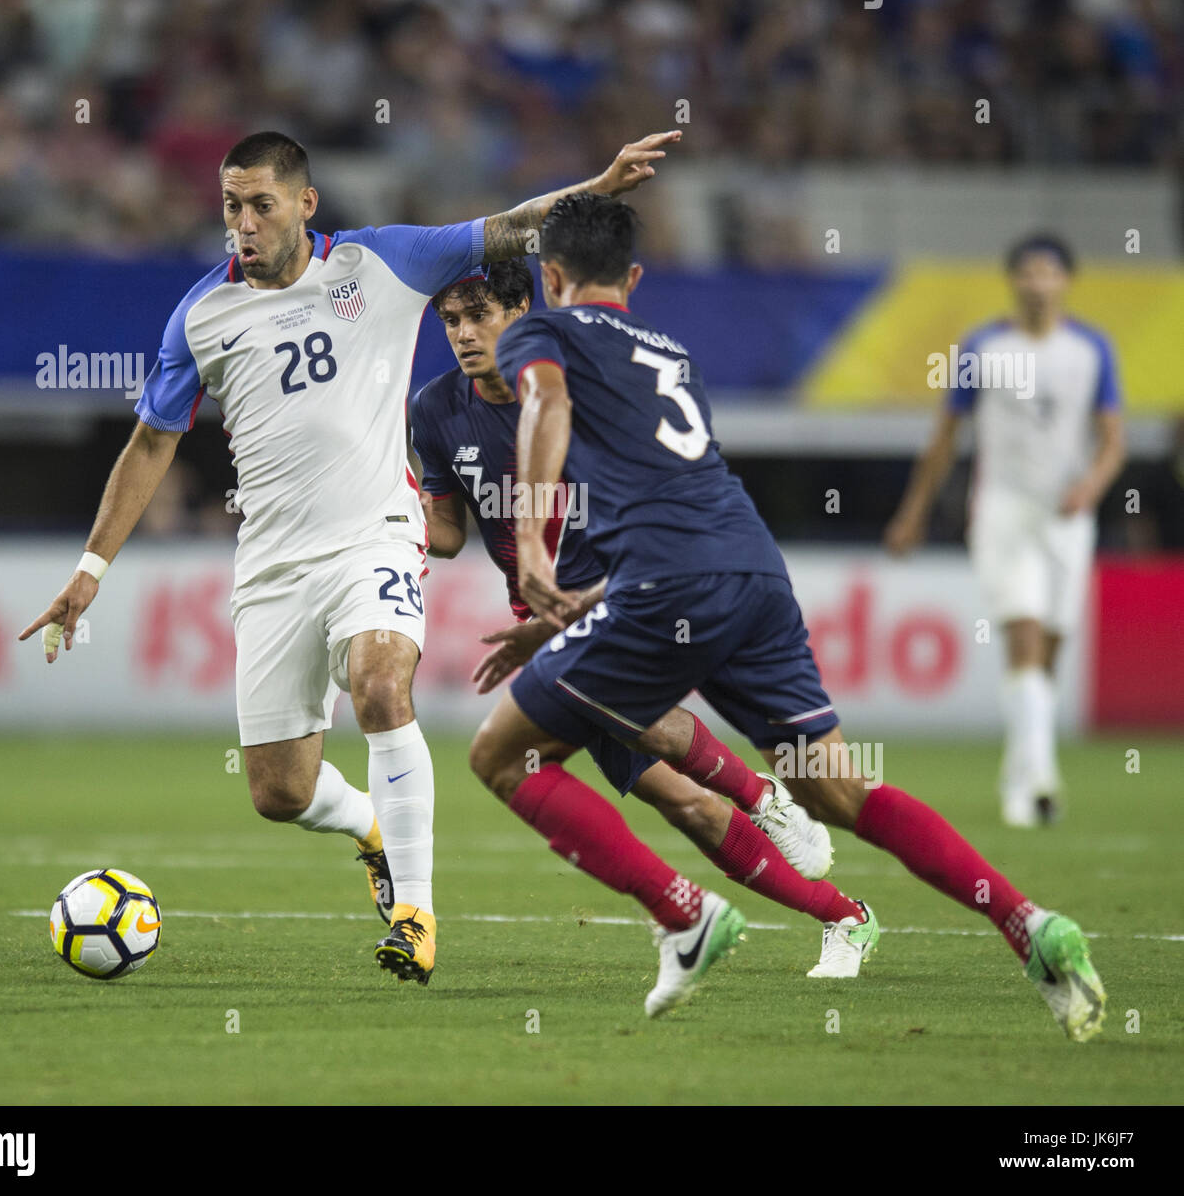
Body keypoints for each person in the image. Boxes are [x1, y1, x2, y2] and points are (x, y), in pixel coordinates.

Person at [19, 129, 681, 987]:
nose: (243, 223)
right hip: (272, 564)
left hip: (375, 533)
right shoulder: (202, 314)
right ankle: (369, 826)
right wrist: (91, 568)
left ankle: (415, 912)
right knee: (280, 792)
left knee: (379, 682)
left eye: (260, 204)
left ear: (305, 203)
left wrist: (598, 182)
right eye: (230, 206)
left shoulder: (383, 264)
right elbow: (151, 442)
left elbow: (510, 230)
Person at [471, 193, 1105, 1040]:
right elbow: (676, 506)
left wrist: (536, 554)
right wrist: (578, 611)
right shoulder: (670, 349)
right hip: (754, 571)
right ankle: (1027, 921)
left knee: (504, 753)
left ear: (549, 277)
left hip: (669, 585)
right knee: (840, 788)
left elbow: (545, 406)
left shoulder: (542, 333)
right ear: (634, 278)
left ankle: (683, 912)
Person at [413, 260, 873, 977]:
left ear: (521, 310)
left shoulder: (570, 391)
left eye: (481, 315)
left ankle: (760, 802)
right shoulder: (435, 408)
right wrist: (385, 507)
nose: (464, 334)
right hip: (539, 618)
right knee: (683, 803)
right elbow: (444, 533)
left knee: (620, 720)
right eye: (451, 320)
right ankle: (843, 914)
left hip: (615, 593)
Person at [885, 235, 1126, 827]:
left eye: (1048, 273)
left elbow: (1113, 440)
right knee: (1022, 633)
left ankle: (1019, 775)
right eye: (1027, 273)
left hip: (1067, 517)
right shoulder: (984, 347)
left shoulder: (1092, 349)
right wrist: (914, 511)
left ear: (1067, 282)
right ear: (1013, 281)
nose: (1037, 283)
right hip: (1002, 510)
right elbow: (945, 438)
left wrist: (1090, 488)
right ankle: (1041, 779)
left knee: (1049, 651)